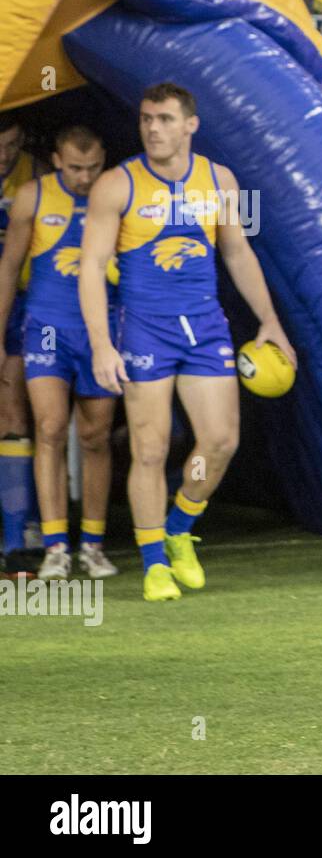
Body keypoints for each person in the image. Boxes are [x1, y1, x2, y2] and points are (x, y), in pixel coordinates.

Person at [80, 82, 297, 602]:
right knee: (150, 449)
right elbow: (89, 268)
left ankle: (179, 526)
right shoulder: (117, 184)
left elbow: (239, 253)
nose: (153, 128)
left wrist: (270, 320)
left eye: (165, 119)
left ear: (190, 125)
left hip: (205, 329)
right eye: (146, 119)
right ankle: (155, 562)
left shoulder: (221, 181)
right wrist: (101, 345)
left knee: (220, 442)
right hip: (143, 331)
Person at [0, 126, 119, 581]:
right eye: (74, 168)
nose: (84, 178)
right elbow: (9, 268)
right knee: (48, 427)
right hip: (46, 327)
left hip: (100, 330)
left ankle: (92, 544)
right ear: (56, 159)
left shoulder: (116, 194)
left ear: (104, 160)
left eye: (92, 168)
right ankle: (54, 546)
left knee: (96, 436)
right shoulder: (34, 196)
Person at [0, 114, 41, 575]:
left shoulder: (38, 178)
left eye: (11, 143)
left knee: (18, 408)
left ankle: (19, 540)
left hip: (25, 304)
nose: (4, 156)